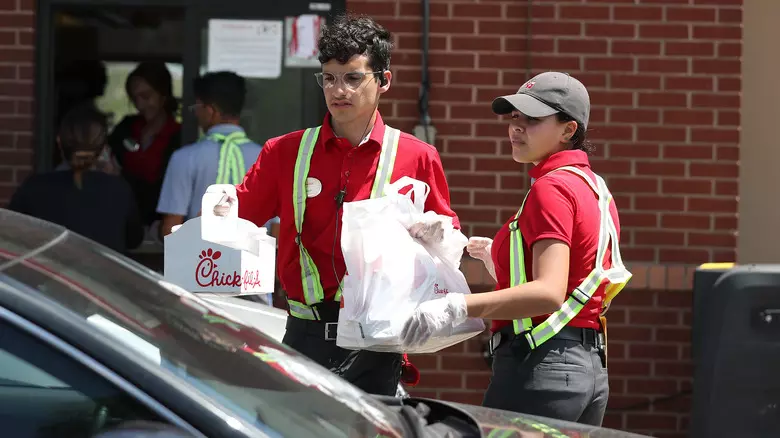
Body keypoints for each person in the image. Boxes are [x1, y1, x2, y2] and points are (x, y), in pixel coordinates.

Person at [210, 13, 460, 396]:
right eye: (329, 77)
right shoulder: (284, 152)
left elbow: (447, 249)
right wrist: (216, 209)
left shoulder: (417, 156)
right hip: (304, 332)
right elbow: (237, 218)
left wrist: (438, 234)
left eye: (353, 77)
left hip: (378, 338)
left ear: (384, 81)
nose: (339, 90)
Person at [399, 72, 632, 425]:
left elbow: (548, 291)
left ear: (569, 130)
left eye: (533, 119)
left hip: (542, 366)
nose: (516, 128)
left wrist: (456, 306)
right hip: (586, 369)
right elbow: (572, 280)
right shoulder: (592, 186)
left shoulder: (550, 188)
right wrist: (496, 255)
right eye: (514, 117)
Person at [8, 103, 144, 254]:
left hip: (50, 276)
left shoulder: (33, 188)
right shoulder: (120, 190)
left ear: (59, 142)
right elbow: (134, 240)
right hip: (104, 277)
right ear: (103, 148)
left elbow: (10, 236)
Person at [156, 71, 265, 238]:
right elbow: (277, 228)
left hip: (200, 262)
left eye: (197, 107)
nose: (197, 114)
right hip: (254, 262)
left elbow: (171, 230)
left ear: (210, 110)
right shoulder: (266, 157)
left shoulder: (184, 158)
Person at [108, 61, 182, 227]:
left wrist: (122, 178)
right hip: (122, 219)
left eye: (146, 96)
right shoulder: (126, 127)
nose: (140, 105)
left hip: (160, 225)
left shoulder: (178, 136)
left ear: (164, 95)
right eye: (135, 98)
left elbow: (166, 187)